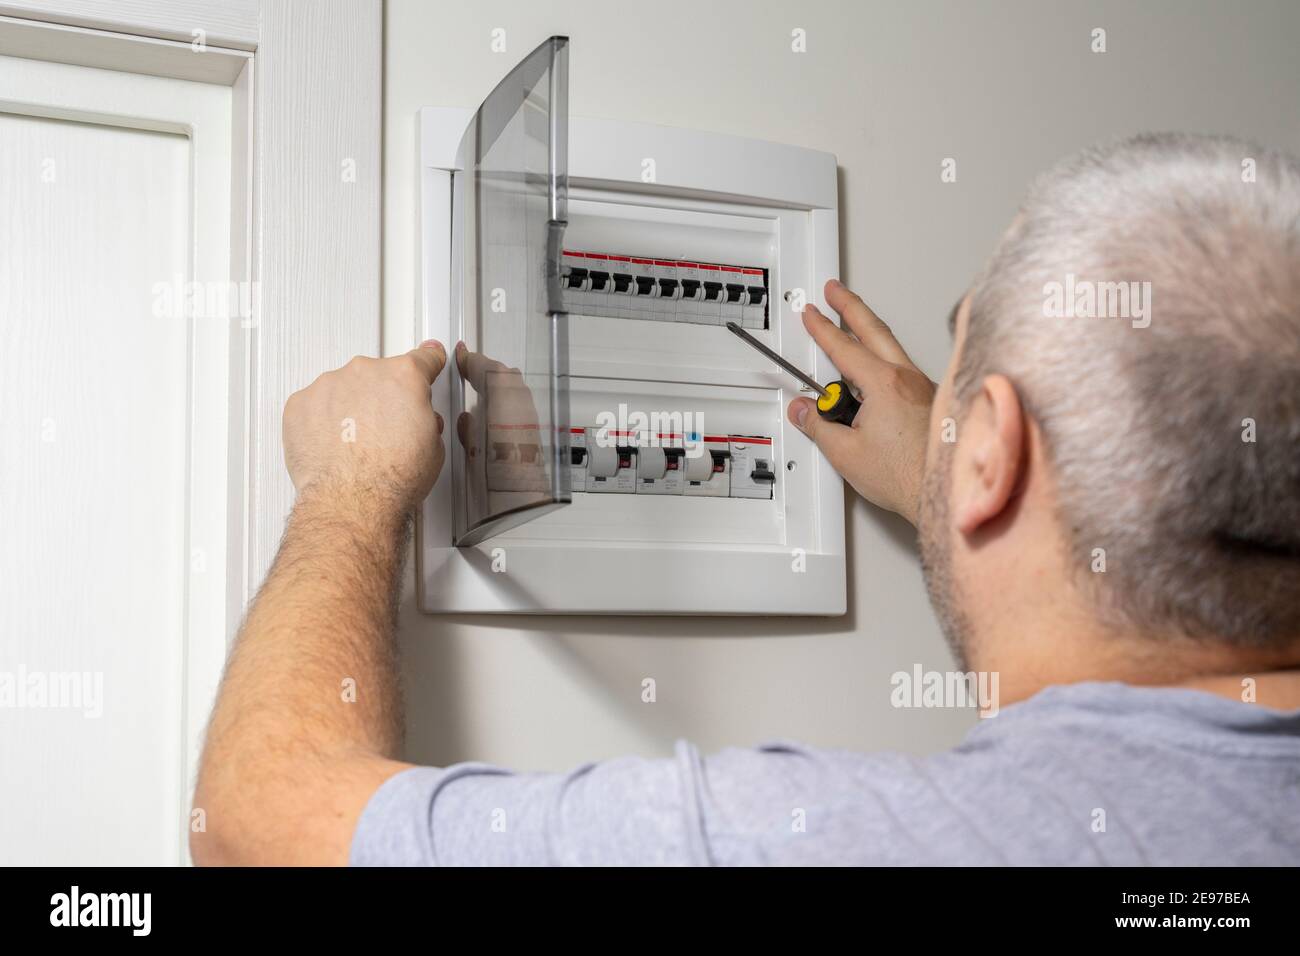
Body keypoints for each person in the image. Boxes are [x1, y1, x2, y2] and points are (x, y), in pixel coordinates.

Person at [190, 133, 1300, 866]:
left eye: (959, 385)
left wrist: (350, 487)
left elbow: (252, 821)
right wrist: (945, 477)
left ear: (994, 455)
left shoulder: (804, 840)